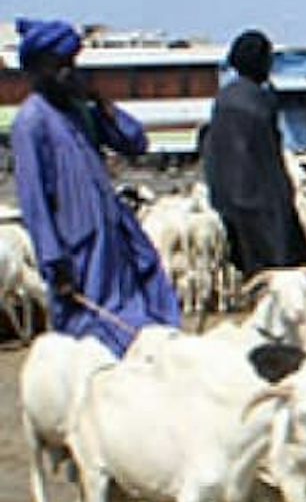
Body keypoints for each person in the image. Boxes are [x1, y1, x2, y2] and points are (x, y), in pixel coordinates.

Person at [11, 18, 180, 358]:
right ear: (37, 71)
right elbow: (34, 202)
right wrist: (54, 261)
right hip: (79, 251)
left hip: (115, 241)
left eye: (70, 65)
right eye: (58, 66)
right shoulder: (31, 123)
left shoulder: (81, 114)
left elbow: (135, 143)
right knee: (90, 338)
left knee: (145, 319)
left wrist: (101, 104)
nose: (67, 73)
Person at [202, 28, 306, 276]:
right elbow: (267, 156)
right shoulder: (259, 101)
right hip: (263, 201)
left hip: (229, 199)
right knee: (283, 270)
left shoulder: (224, 99)